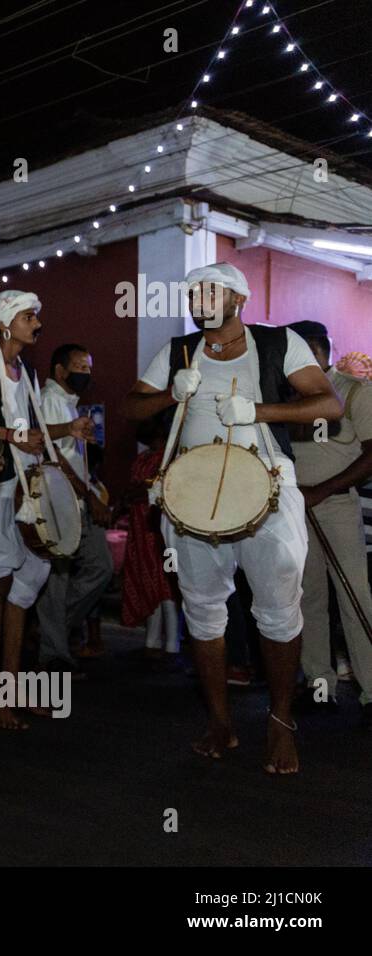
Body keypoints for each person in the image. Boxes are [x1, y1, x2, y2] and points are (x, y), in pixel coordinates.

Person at [122, 262, 341, 774]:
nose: (198, 299)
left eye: (209, 291)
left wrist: (257, 412)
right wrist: (169, 394)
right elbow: (132, 409)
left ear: (238, 299)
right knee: (202, 613)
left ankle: (281, 720)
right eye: (192, 292)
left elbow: (327, 405)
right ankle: (220, 720)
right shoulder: (178, 349)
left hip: (267, 481)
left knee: (279, 611)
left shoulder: (278, 342)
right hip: (190, 494)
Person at [0, 291, 90, 729]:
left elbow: (30, 431)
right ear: (4, 323)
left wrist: (66, 429)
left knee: (26, 583)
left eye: (38, 315)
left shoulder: (26, 372)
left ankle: (11, 687)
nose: (37, 322)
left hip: (25, 483)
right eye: (29, 316)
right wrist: (13, 439)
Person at [287, 321, 372, 728]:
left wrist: (321, 490)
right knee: (309, 600)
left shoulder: (355, 391)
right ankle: (321, 689)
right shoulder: (290, 399)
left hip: (335, 506)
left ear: (317, 352)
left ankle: (371, 693)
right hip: (296, 510)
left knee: (355, 598)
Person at [36, 342, 114, 672]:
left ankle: (49, 631)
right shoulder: (52, 399)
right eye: (80, 368)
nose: (86, 374)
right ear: (59, 370)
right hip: (59, 500)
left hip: (76, 499)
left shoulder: (69, 403)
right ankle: (52, 652)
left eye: (88, 368)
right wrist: (89, 495)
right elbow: (52, 457)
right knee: (59, 578)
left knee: (99, 567)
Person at [120, 418, 180, 660]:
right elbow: (135, 490)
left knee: (167, 585)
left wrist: (137, 492)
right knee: (148, 583)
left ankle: (172, 644)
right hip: (141, 529)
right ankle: (152, 642)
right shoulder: (145, 458)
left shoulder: (169, 457)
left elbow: (153, 489)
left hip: (161, 529)